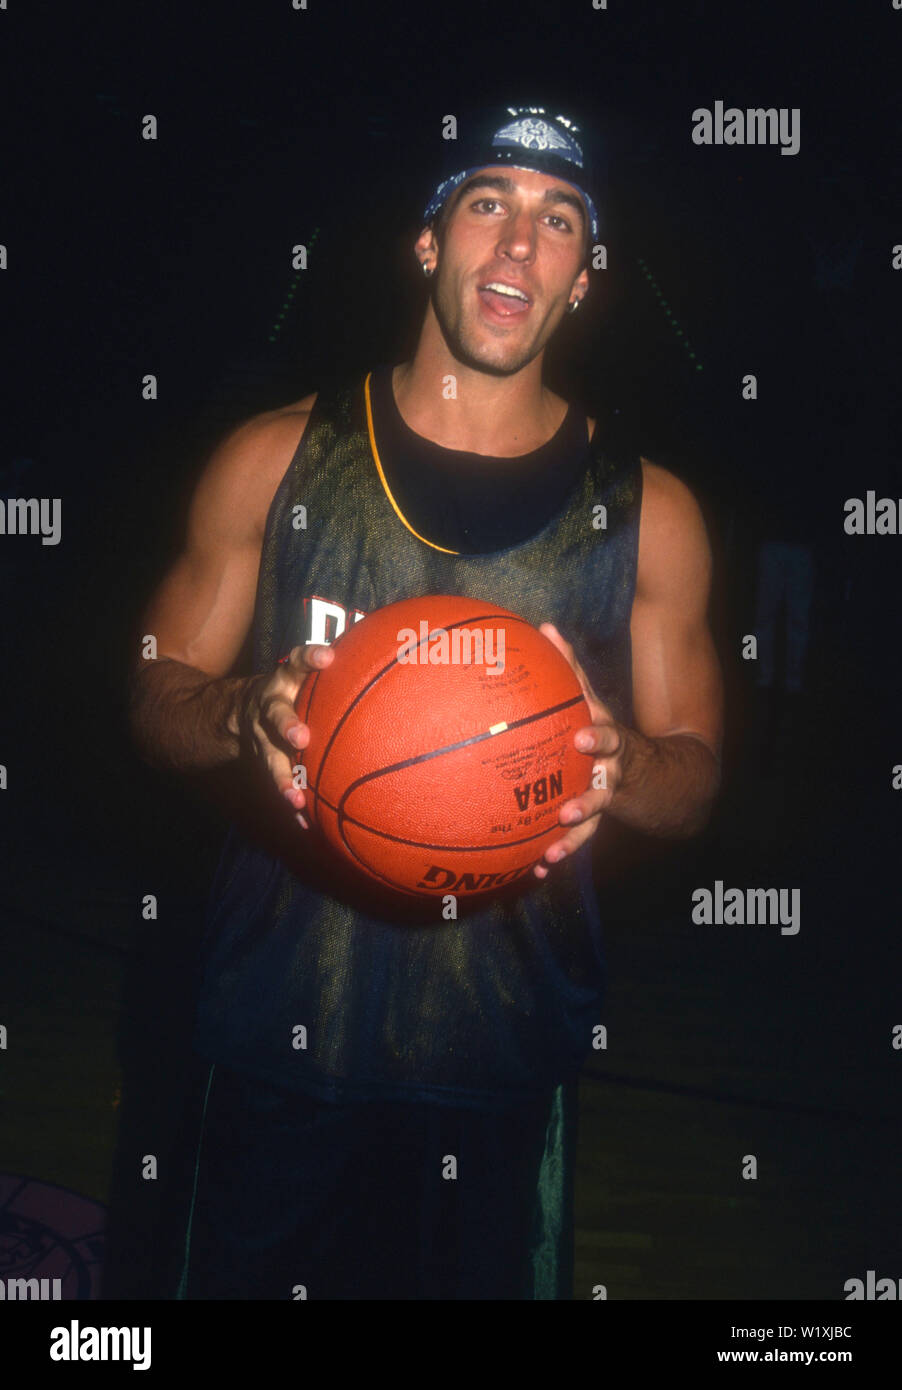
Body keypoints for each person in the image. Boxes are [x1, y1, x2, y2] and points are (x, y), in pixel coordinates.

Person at [128, 105, 723, 1300]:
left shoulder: (648, 511)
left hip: (496, 1061)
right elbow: (151, 688)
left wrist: (625, 771)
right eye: (487, 204)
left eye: (556, 221)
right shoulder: (274, 460)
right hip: (275, 1036)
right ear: (426, 244)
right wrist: (238, 712)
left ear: (582, 282)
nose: (517, 245)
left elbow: (695, 768)